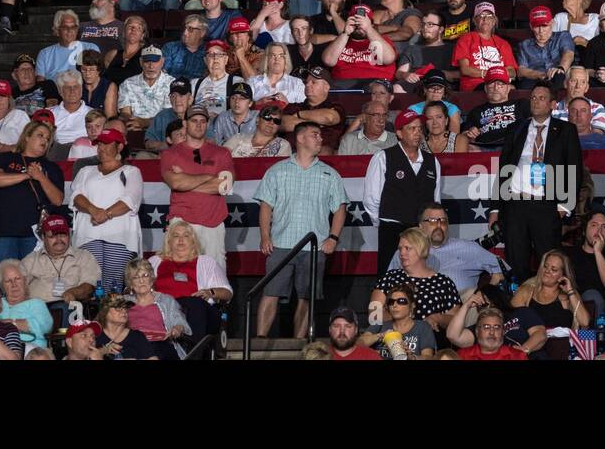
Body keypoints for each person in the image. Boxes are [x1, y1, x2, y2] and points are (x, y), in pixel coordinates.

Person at [253, 122, 348, 338]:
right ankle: (259, 342)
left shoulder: (329, 173)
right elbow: (266, 205)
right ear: (300, 139)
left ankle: (300, 344)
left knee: (307, 298)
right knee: (271, 292)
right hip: (280, 244)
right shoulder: (277, 170)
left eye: (320, 135)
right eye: (315, 134)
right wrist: (265, 236)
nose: (320, 139)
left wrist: (333, 237)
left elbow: (340, 209)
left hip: (313, 248)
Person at [495, 82, 582, 283]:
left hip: (547, 205)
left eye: (541, 98)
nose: (535, 101)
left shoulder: (566, 130)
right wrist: (495, 208)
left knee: (550, 262)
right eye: (533, 97)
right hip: (516, 204)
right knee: (516, 262)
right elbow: (503, 168)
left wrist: (564, 206)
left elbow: (574, 168)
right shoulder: (517, 129)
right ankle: (518, 305)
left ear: (553, 104)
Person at [363, 110, 440, 274]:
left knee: (421, 275)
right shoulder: (383, 157)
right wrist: (385, 223)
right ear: (399, 133)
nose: (417, 133)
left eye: (419, 129)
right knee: (389, 277)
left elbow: (435, 200)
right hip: (392, 229)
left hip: (421, 231)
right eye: (411, 128)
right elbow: (371, 199)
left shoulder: (432, 161)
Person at [159, 105, 235, 269]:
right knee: (180, 271)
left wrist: (187, 181)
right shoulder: (170, 154)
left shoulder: (222, 153)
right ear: (185, 124)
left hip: (213, 221)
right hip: (182, 220)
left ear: (208, 124)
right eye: (194, 121)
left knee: (215, 271)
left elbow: (225, 186)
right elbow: (175, 183)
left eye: (203, 121)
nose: (199, 125)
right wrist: (210, 178)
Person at [70, 127, 144, 293]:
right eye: (99, 144)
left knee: (112, 286)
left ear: (119, 147)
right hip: (88, 234)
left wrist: (106, 214)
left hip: (119, 236)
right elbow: (76, 196)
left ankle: (113, 317)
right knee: (90, 283)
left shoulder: (131, 172)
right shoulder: (85, 171)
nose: (101, 148)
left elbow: (130, 199)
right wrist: (94, 210)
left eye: (106, 144)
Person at [0, 121, 65, 268]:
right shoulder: (6, 158)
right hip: (5, 230)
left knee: (34, 280)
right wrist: (27, 175)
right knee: (4, 279)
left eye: (48, 139)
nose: (44, 140)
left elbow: (57, 200)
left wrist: (41, 177)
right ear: (27, 137)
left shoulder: (52, 167)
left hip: (35, 234)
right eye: (40, 135)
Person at [148, 218, 233, 345]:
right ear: (169, 241)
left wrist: (209, 292)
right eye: (176, 236)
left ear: (193, 241)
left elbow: (227, 293)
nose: (181, 240)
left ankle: (194, 353)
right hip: (164, 310)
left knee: (195, 304)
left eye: (186, 236)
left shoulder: (206, 262)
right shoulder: (155, 261)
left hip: (196, 310)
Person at [385, 204, 503, 295]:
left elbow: (501, 268)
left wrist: (487, 294)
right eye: (432, 221)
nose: (438, 225)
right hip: (417, 309)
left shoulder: (468, 248)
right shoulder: (405, 251)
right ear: (420, 226)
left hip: (462, 308)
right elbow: (388, 284)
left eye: (443, 221)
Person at [371, 227, 462, 333]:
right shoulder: (390, 277)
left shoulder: (443, 282)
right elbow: (374, 314)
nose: (401, 253)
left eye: (407, 248)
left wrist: (437, 318)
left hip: (431, 340)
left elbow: (456, 319)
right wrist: (402, 319)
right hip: (394, 338)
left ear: (421, 249)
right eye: (400, 249)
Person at [21, 214, 101, 311]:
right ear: (43, 237)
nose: (59, 240)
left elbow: (89, 286)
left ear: (69, 235)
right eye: (53, 236)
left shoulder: (84, 257)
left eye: (63, 235)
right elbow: (16, 287)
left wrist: (73, 293)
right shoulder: (31, 260)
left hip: (69, 311)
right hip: (35, 312)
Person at [123, 257, 194, 360]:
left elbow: (180, 322)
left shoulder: (166, 300)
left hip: (160, 343)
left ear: (151, 279)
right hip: (133, 344)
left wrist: (176, 329)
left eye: (145, 275)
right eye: (135, 277)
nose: (141, 280)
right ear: (130, 284)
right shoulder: (123, 302)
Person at [566, 210, 605, 321]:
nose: (599, 230)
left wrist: (598, 252)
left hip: (600, 316)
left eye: (604, 227)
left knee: (592, 296)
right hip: (569, 310)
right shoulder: (568, 255)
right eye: (594, 225)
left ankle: (589, 338)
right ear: (584, 230)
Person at [510, 248, 589, 330]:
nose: (547, 271)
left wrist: (570, 292)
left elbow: (585, 322)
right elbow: (511, 323)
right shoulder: (527, 290)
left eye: (554, 269)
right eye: (545, 266)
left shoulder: (569, 295)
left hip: (561, 342)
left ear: (563, 275)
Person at [357, 283, 437, 359]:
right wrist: (381, 335)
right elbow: (358, 344)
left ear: (412, 305)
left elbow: (428, 357)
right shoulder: (380, 325)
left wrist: (412, 357)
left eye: (401, 301)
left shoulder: (422, 327)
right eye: (391, 302)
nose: (394, 305)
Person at [452, 1, 516, 92]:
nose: (485, 19)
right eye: (481, 16)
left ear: (494, 20)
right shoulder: (465, 39)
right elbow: (465, 69)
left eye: (489, 16)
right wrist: (493, 73)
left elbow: (512, 72)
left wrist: (495, 76)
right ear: (475, 20)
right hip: (475, 85)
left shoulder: (503, 43)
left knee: (511, 89)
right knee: (494, 89)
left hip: (500, 84)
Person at [0, 259, 54, 353]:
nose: (14, 284)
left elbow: (45, 327)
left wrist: (11, 323)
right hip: (0, 350)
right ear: (2, 286)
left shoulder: (37, 303)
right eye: (8, 281)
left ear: (25, 280)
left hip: (33, 351)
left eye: (17, 278)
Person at [448, 302, 530, 360]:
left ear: (503, 332)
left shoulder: (517, 356)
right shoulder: (462, 356)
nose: (492, 332)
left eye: (497, 327)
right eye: (486, 327)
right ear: (477, 331)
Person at [95, 294, 159, 360]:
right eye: (118, 308)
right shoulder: (94, 335)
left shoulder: (136, 336)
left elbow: (153, 358)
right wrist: (102, 351)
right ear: (105, 312)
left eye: (125, 307)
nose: (124, 311)